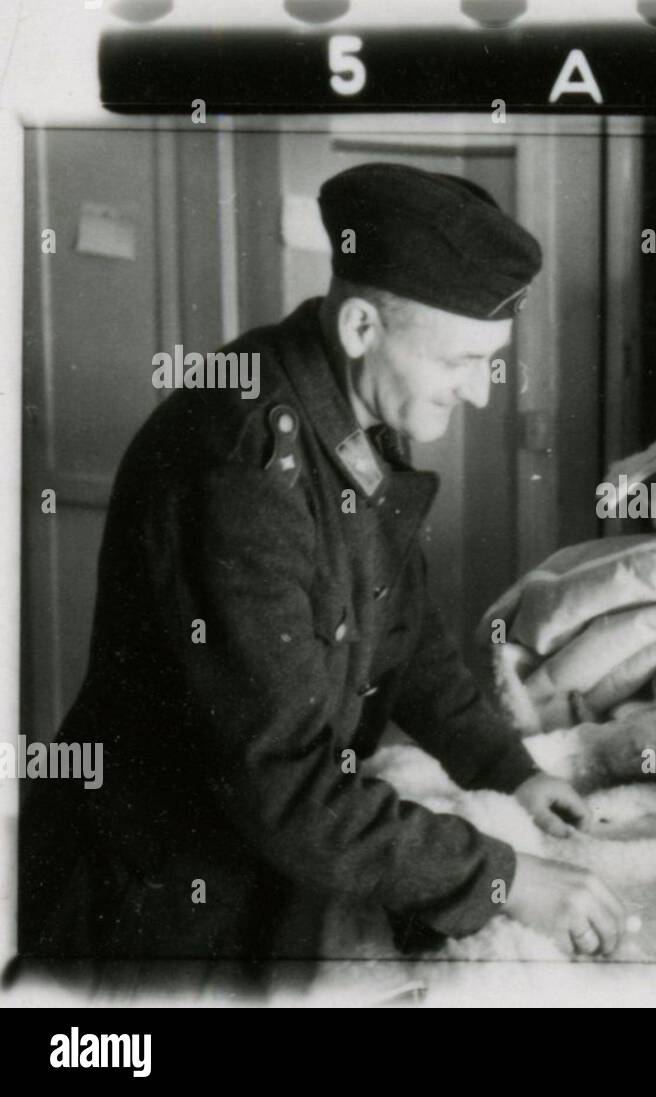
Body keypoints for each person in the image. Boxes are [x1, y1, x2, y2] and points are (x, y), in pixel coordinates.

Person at [19, 163, 624, 984]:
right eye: (461, 362)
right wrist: (504, 879)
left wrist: (504, 766)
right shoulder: (238, 465)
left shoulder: (352, 410)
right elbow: (286, 782)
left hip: (250, 863)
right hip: (152, 895)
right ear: (363, 327)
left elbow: (401, 630)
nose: (480, 394)